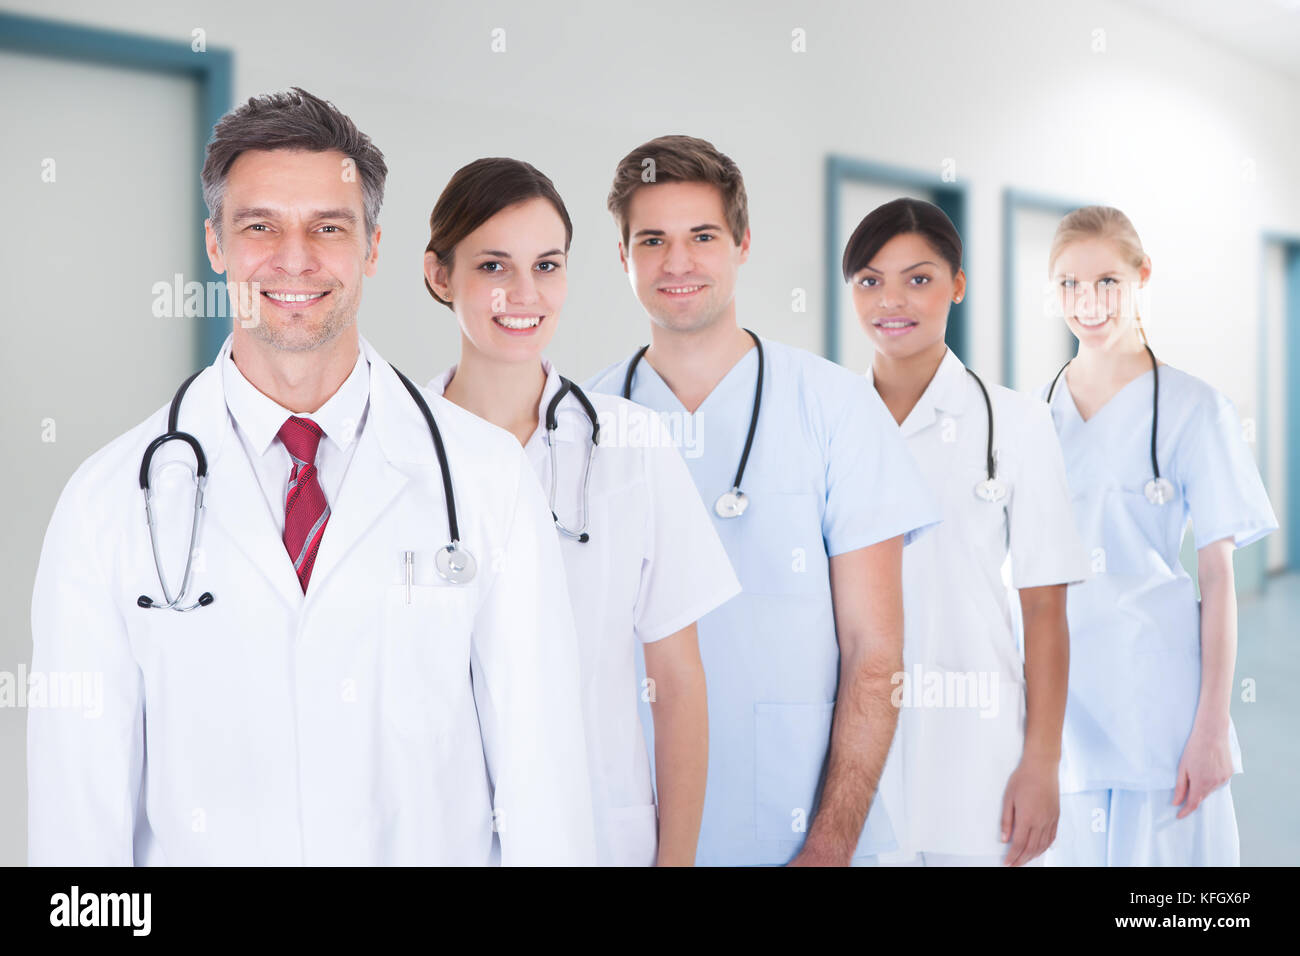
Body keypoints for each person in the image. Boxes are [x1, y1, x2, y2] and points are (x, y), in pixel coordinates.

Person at [27, 88, 596, 866]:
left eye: (328, 228)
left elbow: (546, 789)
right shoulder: (106, 502)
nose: (294, 259)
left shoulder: (487, 481)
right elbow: (77, 826)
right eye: (260, 225)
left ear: (371, 247)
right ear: (216, 245)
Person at [585, 135, 942, 866]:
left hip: (803, 832)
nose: (677, 263)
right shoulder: (581, 421)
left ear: (742, 244)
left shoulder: (835, 406)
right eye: (651, 240)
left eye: (702, 236)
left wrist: (831, 842)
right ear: (622, 257)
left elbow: (875, 653)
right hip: (626, 827)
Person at [421, 157, 740, 866]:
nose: (524, 293)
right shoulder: (395, 451)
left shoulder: (631, 445)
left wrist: (676, 861)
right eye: (493, 266)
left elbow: (679, 682)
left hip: (600, 831)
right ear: (441, 276)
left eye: (548, 265)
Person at [845, 198, 1088, 866]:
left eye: (918, 278)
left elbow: (1044, 609)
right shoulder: (828, 423)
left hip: (979, 742)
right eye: (870, 280)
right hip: (850, 744)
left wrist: (1042, 763)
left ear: (957, 285)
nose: (891, 299)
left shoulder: (1016, 424)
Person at [1037, 206, 1277, 866]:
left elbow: (1219, 577)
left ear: (1142, 277)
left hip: (1157, 699)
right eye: (1069, 284)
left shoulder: (1196, 409)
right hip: (1061, 708)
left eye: (1108, 281)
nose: (1089, 302)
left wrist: (1210, 729)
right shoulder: (1036, 414)